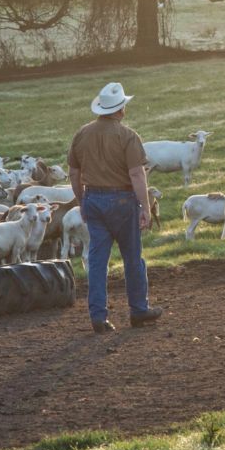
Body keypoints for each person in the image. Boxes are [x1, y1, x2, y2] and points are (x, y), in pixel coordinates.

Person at [67, 82, 162, 333]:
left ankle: (98, 316)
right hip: (122, 201)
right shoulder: (128, 136)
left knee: (98, 260)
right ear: (121, 110)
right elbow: (137, 175)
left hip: (93, 200)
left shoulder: (82, 134)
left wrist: (81, 202)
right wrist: (144, 206)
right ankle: (139, 310)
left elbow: (74, 173)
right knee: (132, 258)